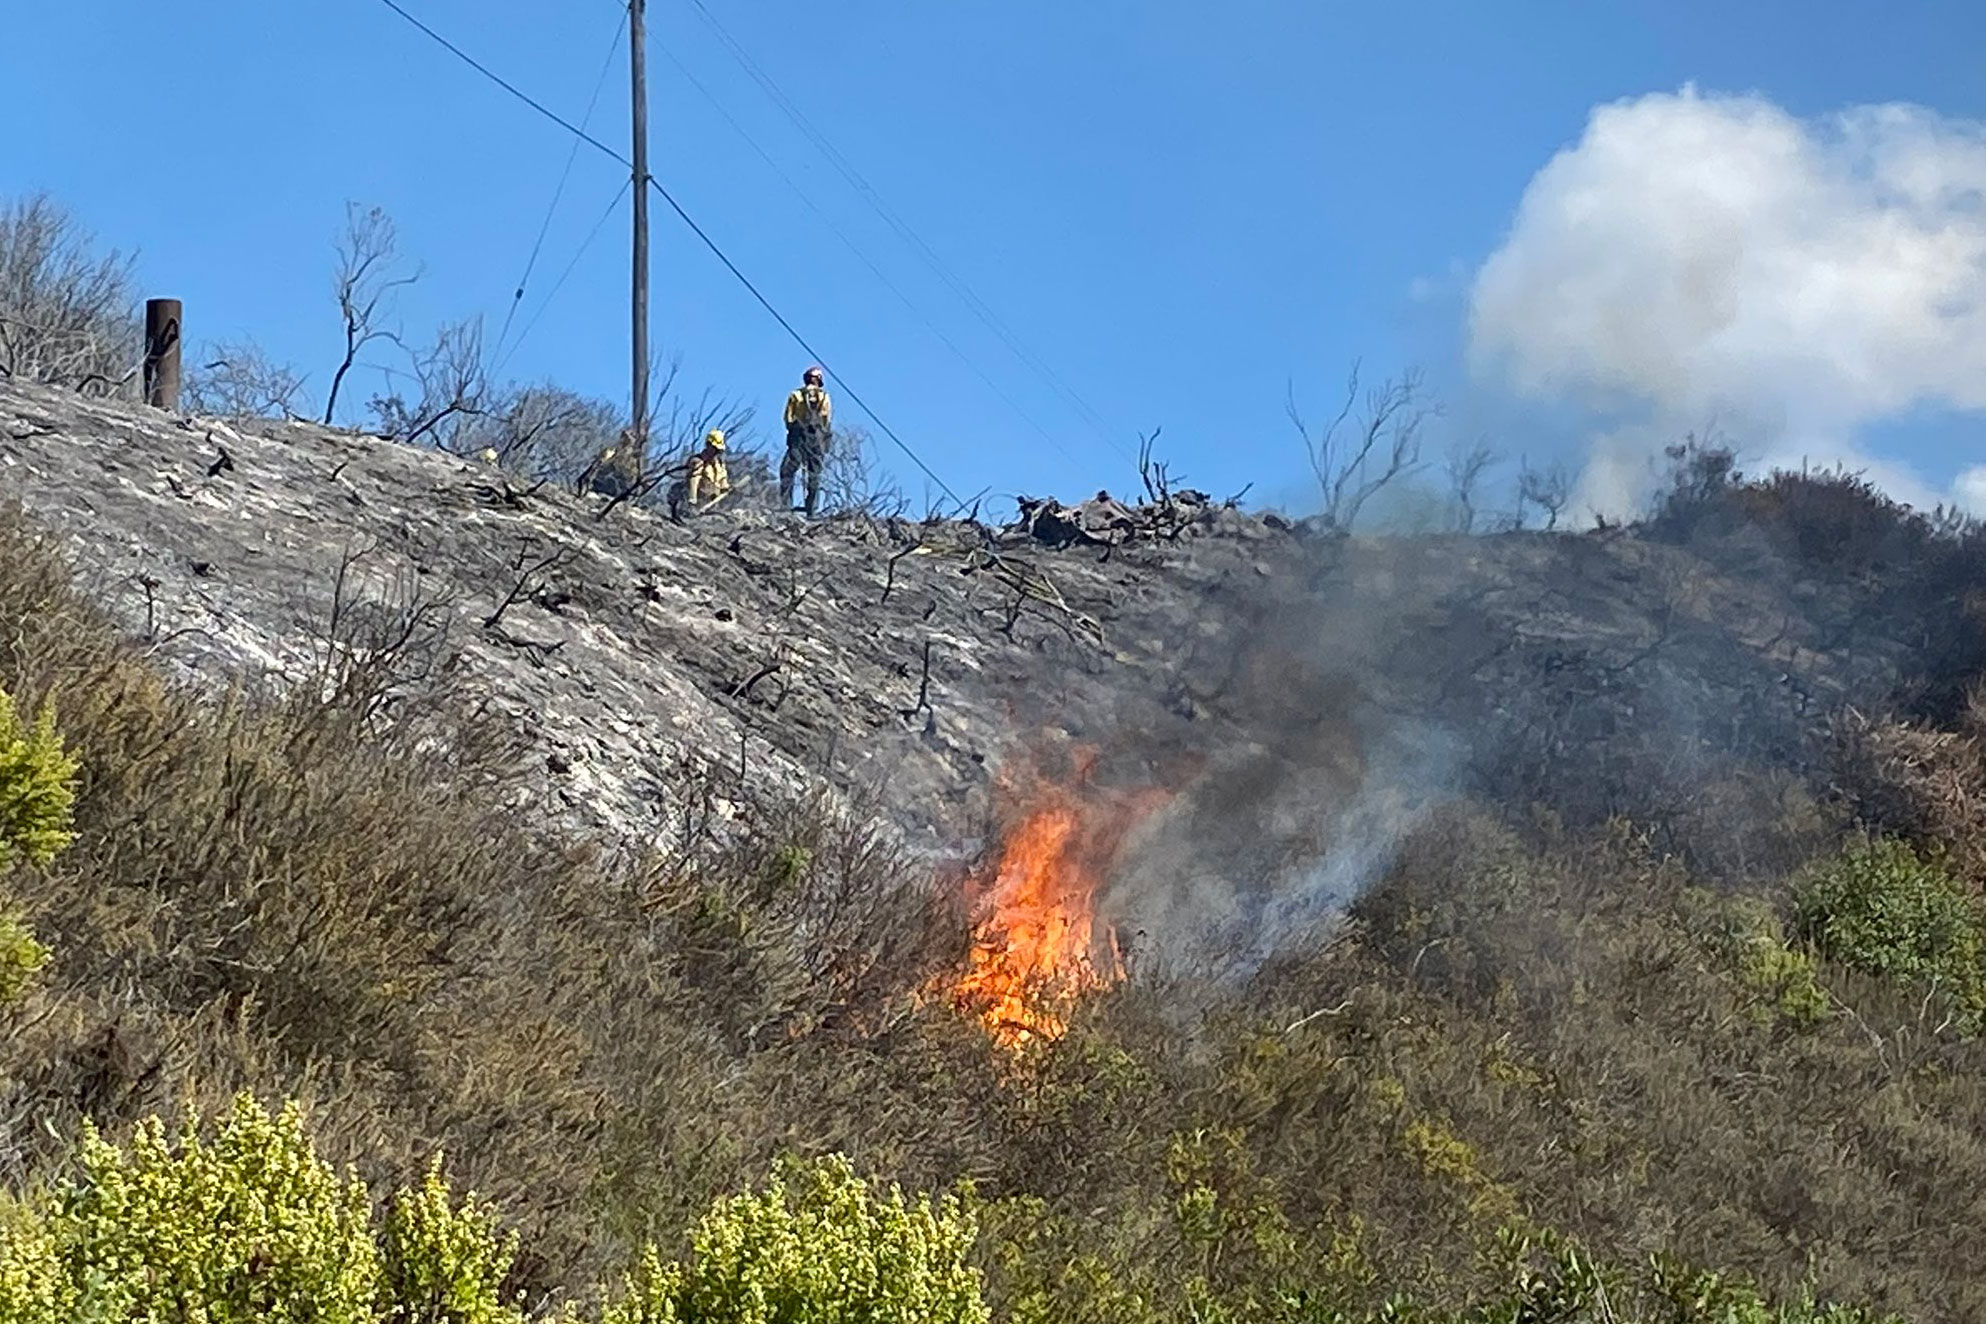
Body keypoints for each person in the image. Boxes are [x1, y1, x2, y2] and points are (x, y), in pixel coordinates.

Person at [781, 365, 832, 516]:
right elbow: (826, 420)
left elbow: (788, 419)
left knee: (787, 470)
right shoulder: (825, 397)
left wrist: (793, 433)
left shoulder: (796, 395)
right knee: (814, 474)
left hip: (798, 437)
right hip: (817, 438)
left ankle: (785, 506)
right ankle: (811, 509)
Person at [686, 429, 730, 506]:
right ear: (708, 445)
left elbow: (722, 478)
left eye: (717, 450)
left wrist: (725, 487)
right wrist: (693, 498)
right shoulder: (697, 461)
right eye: (713, 448)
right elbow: (693, 479)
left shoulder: (719, 463)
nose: (714, 452)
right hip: (700, 497)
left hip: (713, 499)